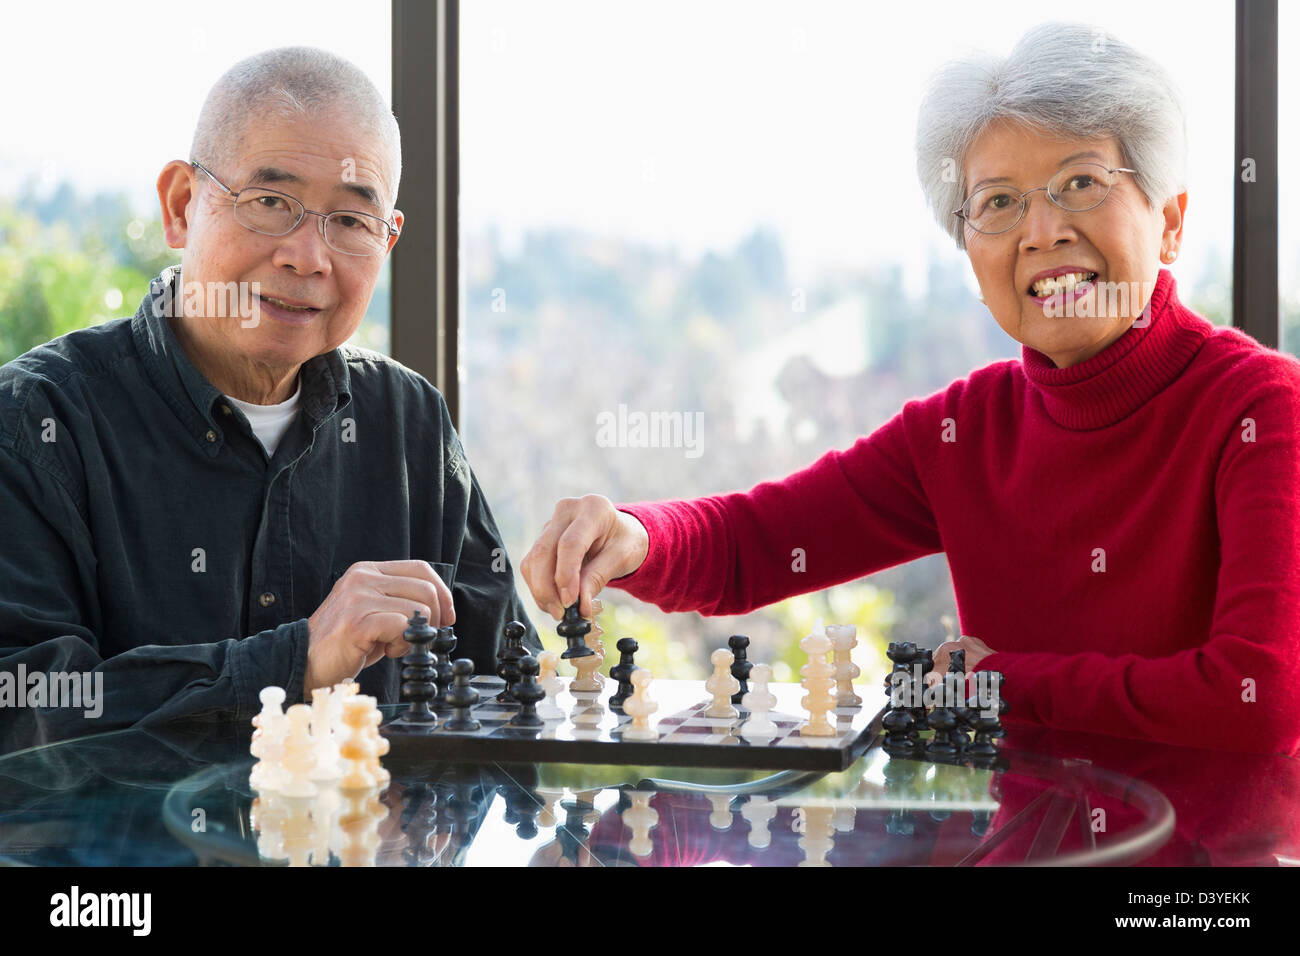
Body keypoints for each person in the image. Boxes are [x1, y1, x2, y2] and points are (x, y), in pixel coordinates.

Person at [521, 23, 1300, 756]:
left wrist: (994, 682)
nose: (1041, 232)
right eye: (998, 202)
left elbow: (1256, 696)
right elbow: (754, 546)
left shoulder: (1264, 408)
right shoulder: (963, 432)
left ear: (1169, 221)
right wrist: (635, 535)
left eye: (1081, 183)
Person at [0, 47, 535, 752]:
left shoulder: (410, 425)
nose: (307, 257)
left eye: (350, 220)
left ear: (388, 241)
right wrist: (297, 660)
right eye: (271, 203)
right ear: (181, 206)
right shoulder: (39, 420)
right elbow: (23, 715)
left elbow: (507, 684)